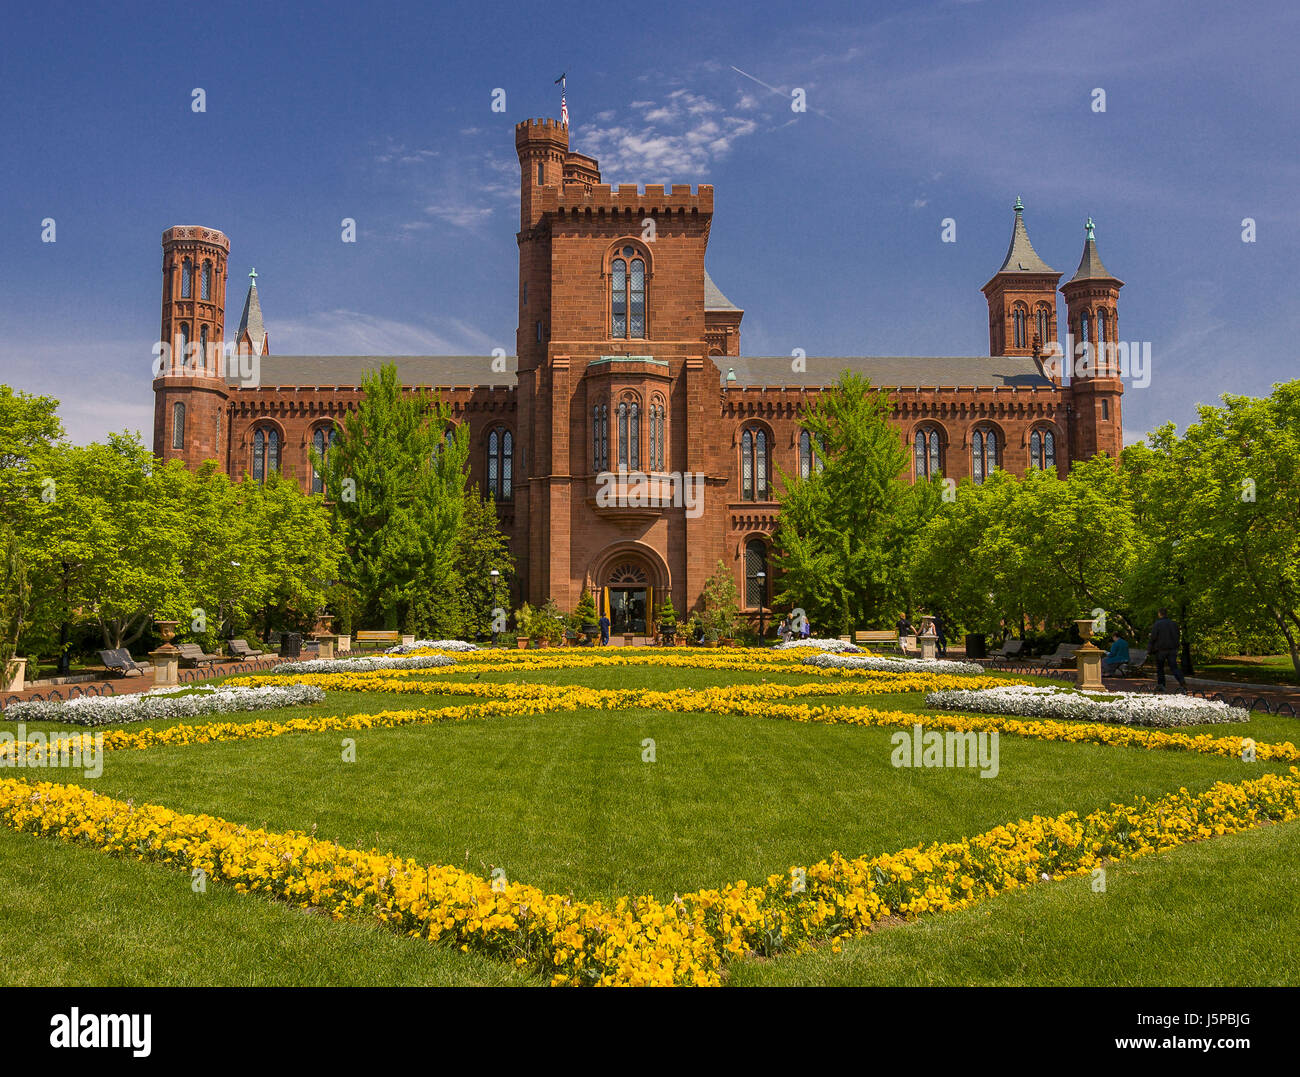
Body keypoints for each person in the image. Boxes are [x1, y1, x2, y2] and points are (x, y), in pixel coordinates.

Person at [1147, 608, 1186, 692]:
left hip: (1161, 649)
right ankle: (1181, 680)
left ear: (1159, 614)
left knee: (1160, 668)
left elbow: (1153, 637)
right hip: (1172, 649)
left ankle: (1161, 685)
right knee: (1174, 667)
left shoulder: (1157, 624)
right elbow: (1177, 635)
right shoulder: (1173, 624)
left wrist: (1149, 650)